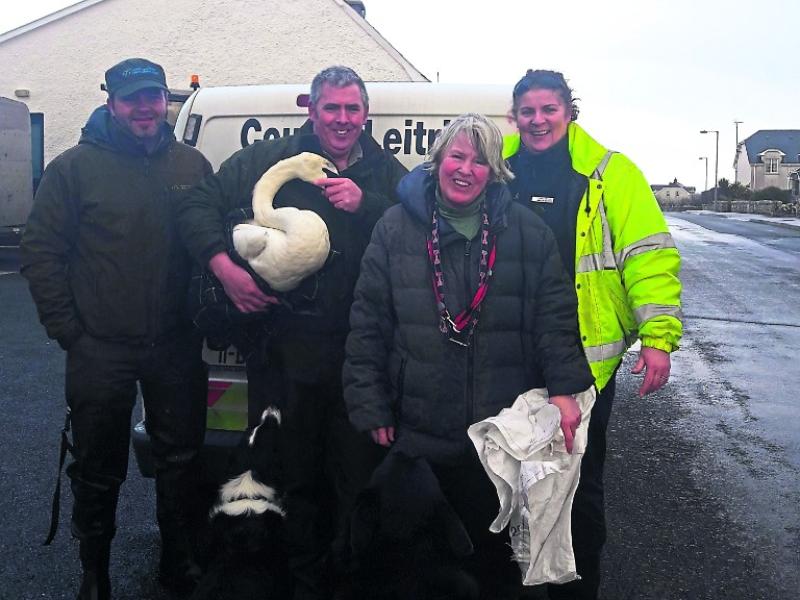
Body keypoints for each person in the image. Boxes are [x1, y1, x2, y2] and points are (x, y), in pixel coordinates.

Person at [175, 65, 408, 599]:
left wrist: (367, 205)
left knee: (355, 482)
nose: (342, 119)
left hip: (360, 359)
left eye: (352, 109)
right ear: (312, 109)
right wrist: (224, 269)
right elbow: (193, 204)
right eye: (332, 108)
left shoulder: (384, 172)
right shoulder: (270, 160)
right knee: (293, 481)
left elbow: (423, 223)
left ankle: (346, 585)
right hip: (284, 355)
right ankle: (302, 586)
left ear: (366, 113)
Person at [343, 113, 596, 599]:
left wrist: (565, 389)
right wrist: (370, 404)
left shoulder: (528, 232)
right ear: (437, 160)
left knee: (497, 569)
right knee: (420, 568)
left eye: (480, 161)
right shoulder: (393, 228)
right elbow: (368, 322)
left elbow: (555, 317)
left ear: (495, 171)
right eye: (457, 156)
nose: (466, 169)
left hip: (499, 440)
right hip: (419, 432)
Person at [20, 58, 212, 599]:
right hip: (100, 348)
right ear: (111, 103)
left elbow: (211, 240)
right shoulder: (74, 168)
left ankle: (177, 562)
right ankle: (94, 571)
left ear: (165, 101)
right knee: (96, 467)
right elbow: (40, 252)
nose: (145, 108)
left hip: (174, 345)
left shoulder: (191, 165)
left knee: (181, 461)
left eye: (153, 97)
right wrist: (69, 331)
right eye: (133, 99)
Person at [503, 69, 683, 599]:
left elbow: (648, 256)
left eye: (549, 109)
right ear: (515, 116)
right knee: (506, 479)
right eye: (528, 111)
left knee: (577, 488)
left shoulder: (611, 173)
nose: (538, 121)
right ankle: (515, 580)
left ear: (569, 112)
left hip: (584, 361)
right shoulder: (497, 167)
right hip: (507, 355)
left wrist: (658, 336)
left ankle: (576, 588)